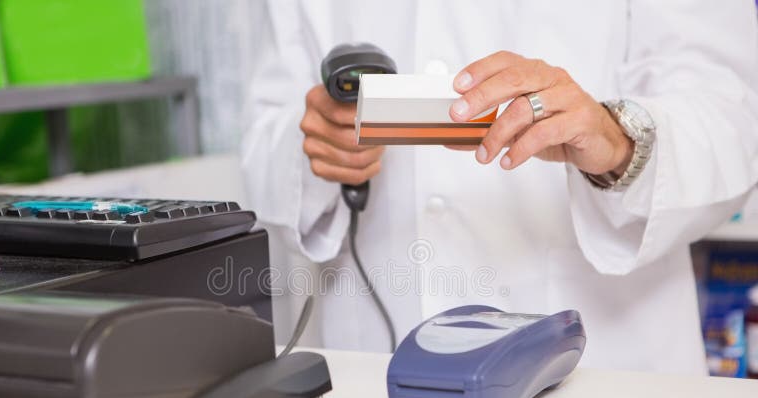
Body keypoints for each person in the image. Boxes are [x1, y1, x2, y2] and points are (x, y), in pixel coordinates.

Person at [241, 0, 758, 373]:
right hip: (372, 375)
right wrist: (313, 147)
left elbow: (733, 116)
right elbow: (266, 129)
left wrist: (616, 138)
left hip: (608, 376)